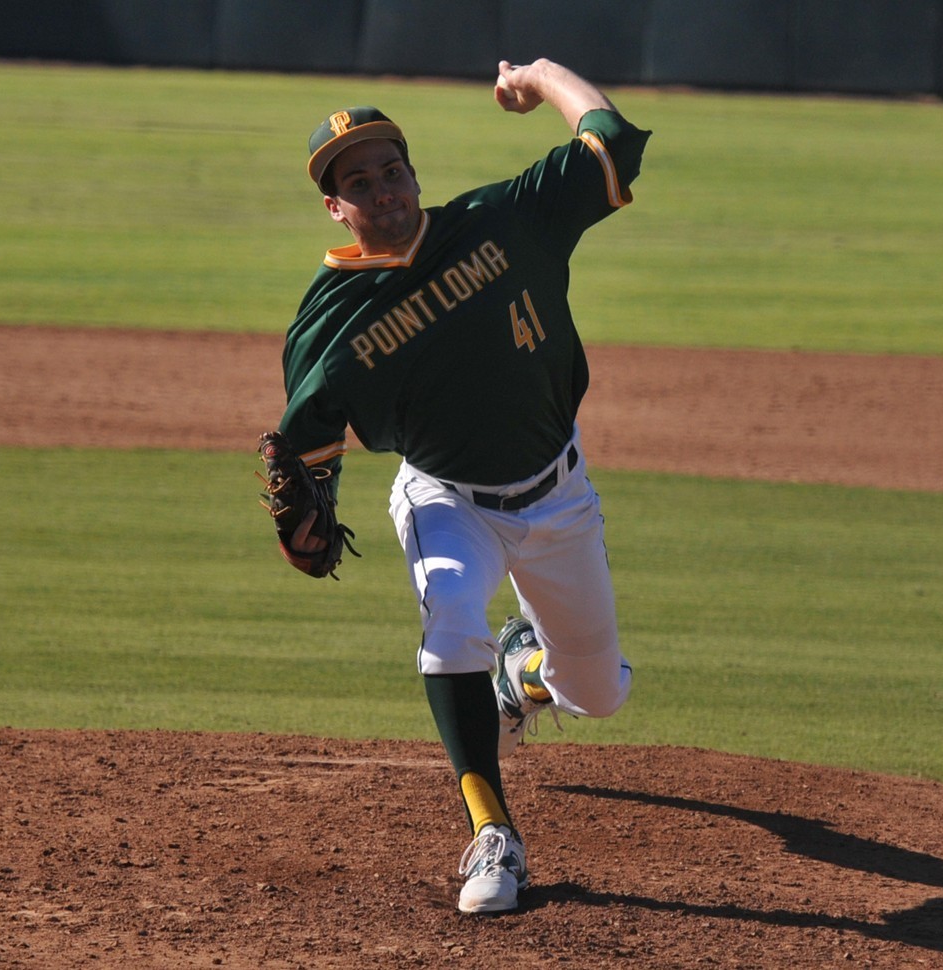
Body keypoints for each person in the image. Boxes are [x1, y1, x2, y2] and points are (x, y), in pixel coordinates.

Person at [265, 59, 650, 914]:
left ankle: (523, 674)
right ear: (335, 207)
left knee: (602, 694)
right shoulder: (328, 326)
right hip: (447, 498)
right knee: (448, 620)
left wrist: (542, 77)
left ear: (413, 173)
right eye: (357, 182)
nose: (382, 190)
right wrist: (302, 530)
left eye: (390, 170)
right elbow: (306, 456)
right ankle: (493, 836)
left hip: (559, 496)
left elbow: (610, 142)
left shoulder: (502, 221)